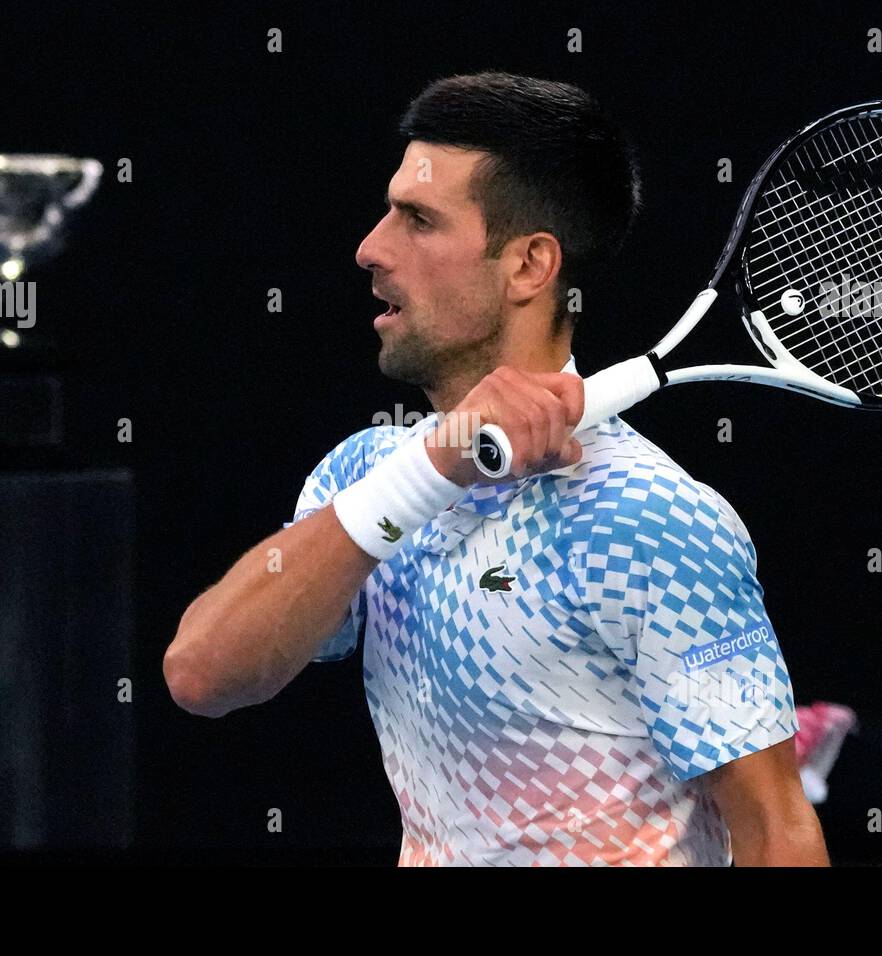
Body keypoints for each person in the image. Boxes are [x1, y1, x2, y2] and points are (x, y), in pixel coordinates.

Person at [165, 72, 829, 866]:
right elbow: (203, 674)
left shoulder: (650, 520)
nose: (370, 248)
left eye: (417, 220)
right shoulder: (369, 476)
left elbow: (777, 834)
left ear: (527, 267)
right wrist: (427, 470)